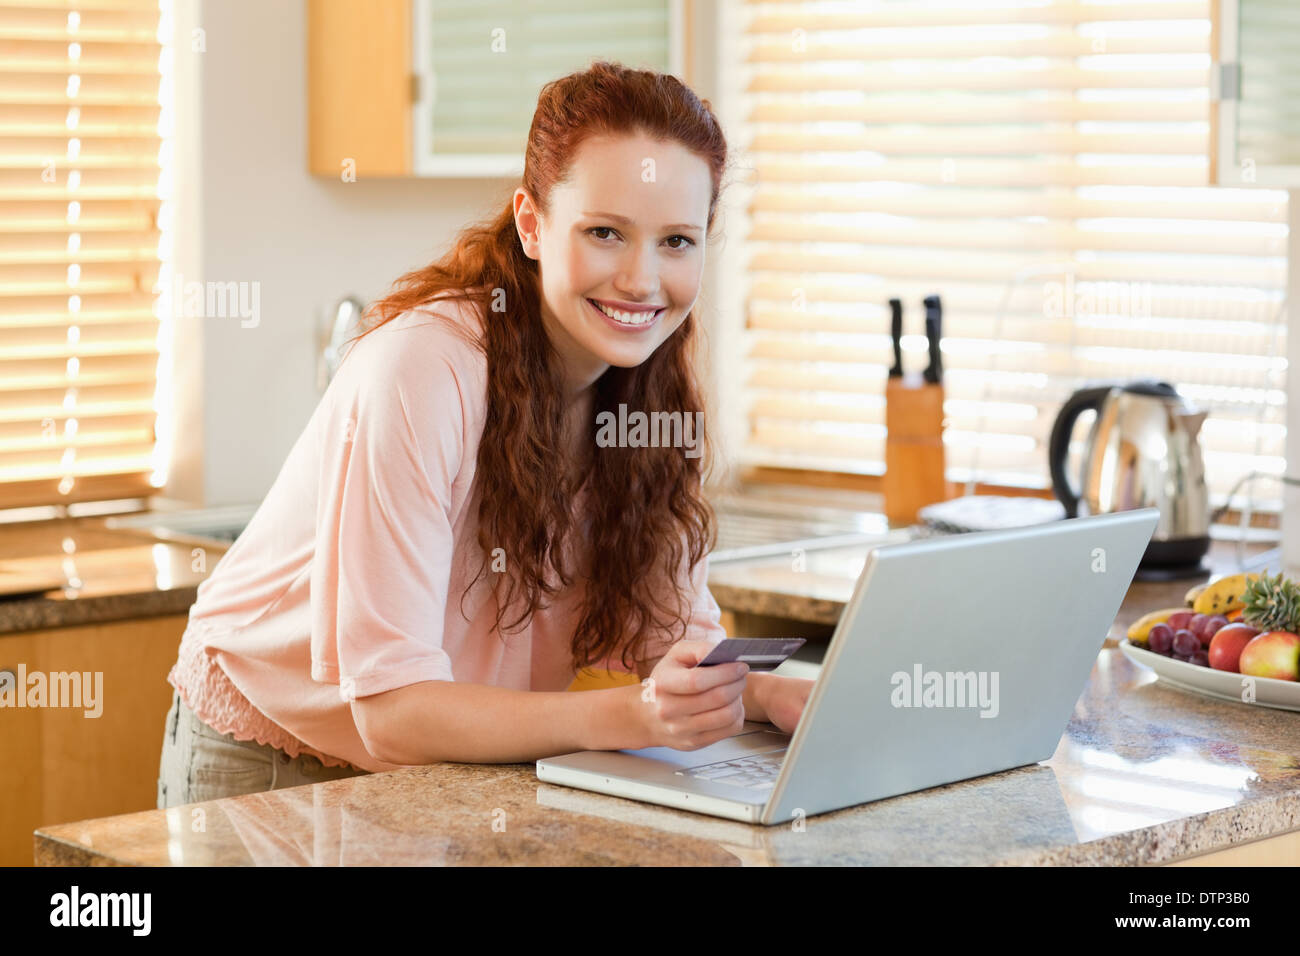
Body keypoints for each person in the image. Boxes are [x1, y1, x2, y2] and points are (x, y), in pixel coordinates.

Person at [156, 60, 814, 809]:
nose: (641, 280)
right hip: (273, 757)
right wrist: (631, 715)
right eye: (605, 232)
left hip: (448, 767)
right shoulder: (424, 370)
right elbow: (394, 713)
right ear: (532, 224)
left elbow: (667, 646)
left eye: (676, 242)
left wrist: (767, 696)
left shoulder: (650, 394)